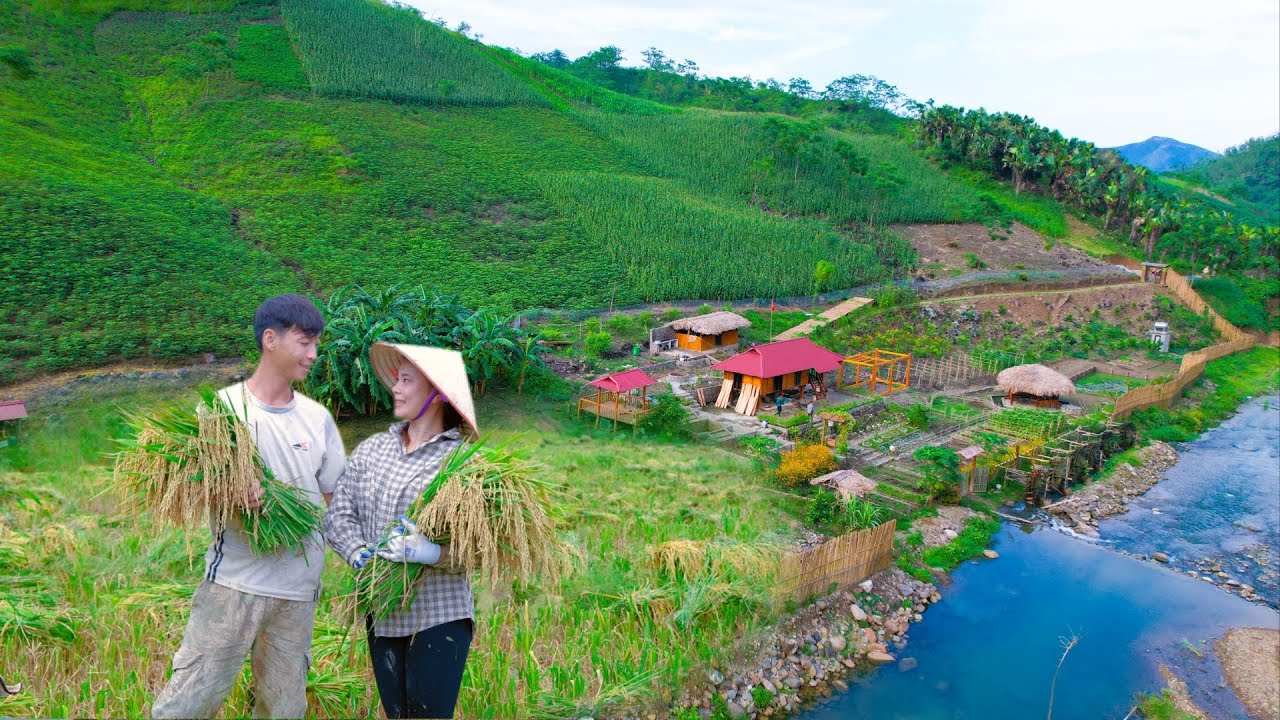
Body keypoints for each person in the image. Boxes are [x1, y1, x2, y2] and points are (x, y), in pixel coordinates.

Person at [152, 294, 346, 719]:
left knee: (283, 708)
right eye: (305, 342)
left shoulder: (317, 418)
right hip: (235, 584)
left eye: (317, 344)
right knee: (188, 704)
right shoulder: (221, 409)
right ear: (270, 339)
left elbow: (336, 500)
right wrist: (229, 489)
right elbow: (189, 486)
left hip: (297, 591)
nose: (314, 354)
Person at [325, 342, 478, 719]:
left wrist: (431, 553)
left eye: (407, 380)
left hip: (438, 612)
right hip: (383, 610)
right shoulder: (373, 449)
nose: (395, 388)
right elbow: (339, 512)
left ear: (438, 394)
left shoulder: (463, 462)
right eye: (397, 380)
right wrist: (358, 552)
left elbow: (481, 548)